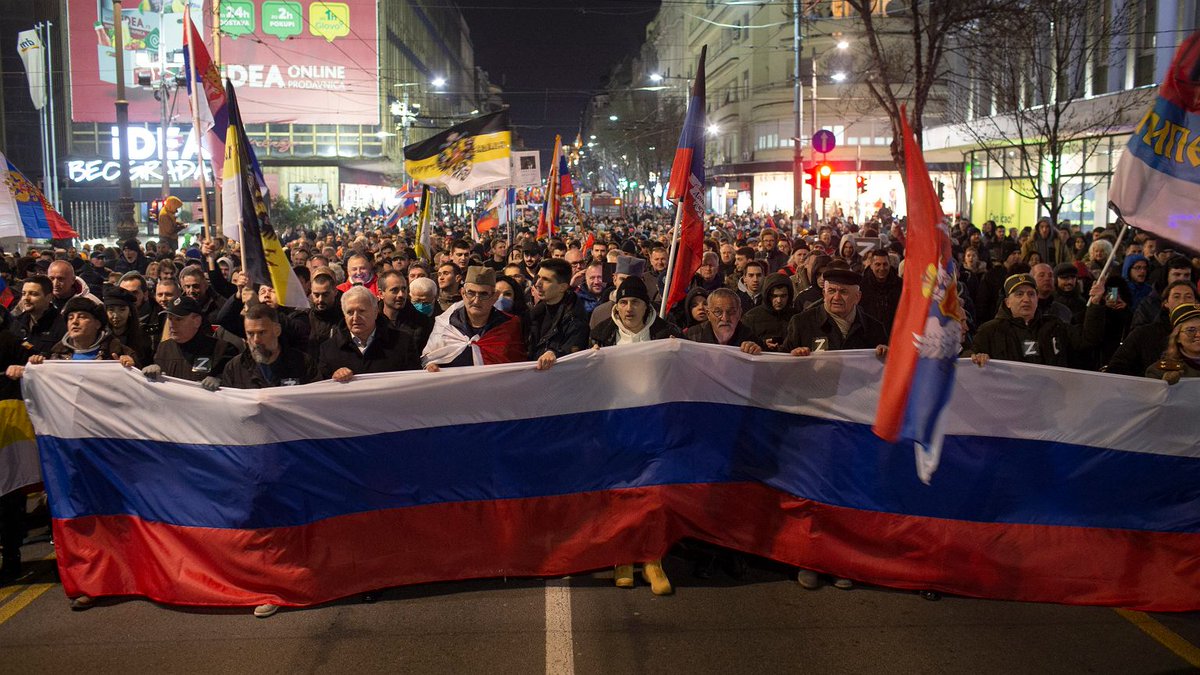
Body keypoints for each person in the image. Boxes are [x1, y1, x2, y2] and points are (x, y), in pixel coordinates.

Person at [586, 275, 681, 595]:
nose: (629, 308)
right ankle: (623, 556)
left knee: (653, 494)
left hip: (654, 424)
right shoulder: (601, 334)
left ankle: (652, 559)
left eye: (635, 302)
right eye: (623, 302)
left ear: (646, 306)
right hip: (615, 426)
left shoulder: (666, 333)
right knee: (620, 493)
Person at [969, 273, 1106, 368]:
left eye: (1031, 294)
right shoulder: (989, 331)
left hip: (1051, 399)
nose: (1026, 299)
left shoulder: (1054, 325)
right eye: (1019, 294)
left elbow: (1088, 338)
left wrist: (1095, 304)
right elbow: (969, 358)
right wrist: (976, 357)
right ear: (1007, 302)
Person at [422, 266, 527, 370]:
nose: (476, 301)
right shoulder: (446, 324)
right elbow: (429, 357)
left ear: (494, 297)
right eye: (471, 293)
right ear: (462, 293)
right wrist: (431, 366)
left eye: (484, 294)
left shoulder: (509, 325)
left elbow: (518, 369)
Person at [318, 285, 420, 382]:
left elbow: (415, 382)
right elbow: (322, 390)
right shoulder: (328, 350)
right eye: (350, 312)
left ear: (375, 312)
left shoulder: (402, 343)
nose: (355, 317)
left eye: (361, 311)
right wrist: (333, 378)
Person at [782, 268, 889, 356]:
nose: (837, 297)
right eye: (831, 291)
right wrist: (792, 356)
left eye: (843, 292)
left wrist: (886, 354)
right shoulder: (801, 323)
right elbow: (782, 364)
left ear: (857, 297)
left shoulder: (874, 328)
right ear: (824, 294)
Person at [1107, 281, 1198, 377]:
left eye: (1188, 297)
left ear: (1196, 302)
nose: (1182, 301)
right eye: (1176, 297)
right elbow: (1116, 368)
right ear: (1165, 302)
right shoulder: (1143, 334)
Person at [145, 296, 240, 386]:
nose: (172, 324)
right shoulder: (164, 348)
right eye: (170, 318)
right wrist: (152, 370)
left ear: (197, 321)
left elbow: (237, 379)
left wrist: (220, 380)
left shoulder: (222, 349)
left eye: (178, 319)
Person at [221, 303, 319, 390]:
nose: (256, 340)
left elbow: (317, 400)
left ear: (277, 330)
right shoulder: (235, 368)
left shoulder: (303, 364)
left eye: (262, 332)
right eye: (250, 333)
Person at [526, 258, 589, 368]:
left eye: (546, 280)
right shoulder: (534, 312)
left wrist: (555, 353)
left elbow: (573, 351)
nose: (538, 284)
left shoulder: (575, 319)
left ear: (562, 287)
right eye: (538, 277)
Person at [684, 288, 762, 354]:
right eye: (718, 312)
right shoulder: (692, 337)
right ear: (708, 314)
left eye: (731, 312)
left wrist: (757, 353)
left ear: (739, 313)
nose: (725, 318)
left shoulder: (750, 338)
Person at [9, 275, 64, 357]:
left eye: (33, 294)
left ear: (49, 297)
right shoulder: (17, 323)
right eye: (24, 294)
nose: (26, 298)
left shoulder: (61, 325)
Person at [741, 273, 796, 352]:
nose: (779, 301)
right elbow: (743, 345)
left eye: (783, 296)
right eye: (774, 296)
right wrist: (762, 344)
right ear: (767, 295)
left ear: (789, 296)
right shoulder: (751, 317)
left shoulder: (796, 317)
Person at [1145, 303, 1200, 383]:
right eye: (1191, 330)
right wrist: (1164, 385)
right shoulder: (1159, 371)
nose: (1198, 335)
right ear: (1177, 337)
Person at [103, 287, 153, 366]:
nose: (116, 315)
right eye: (111, 310)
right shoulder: (100, 337)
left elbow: (147, 364)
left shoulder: (142, 337)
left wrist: (135, 363)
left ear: (130, 312)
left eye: (122, 310)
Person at [859, 248, 902, 328]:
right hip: (869, 333)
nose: (882, 268)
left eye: (885, 264)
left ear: (889, 264)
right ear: (871, 266)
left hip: (894, 332)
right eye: (878, 264)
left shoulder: (901, 285)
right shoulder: (862, 286)